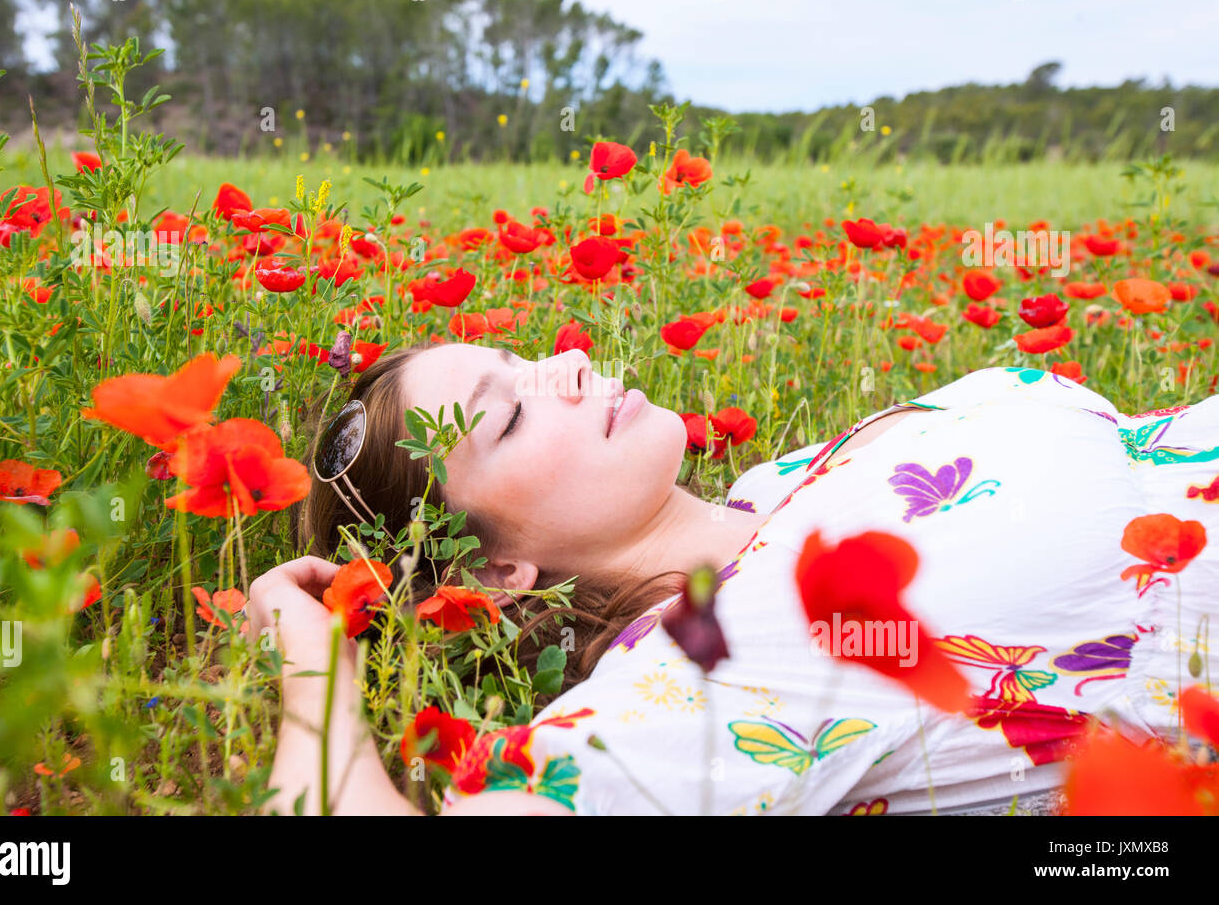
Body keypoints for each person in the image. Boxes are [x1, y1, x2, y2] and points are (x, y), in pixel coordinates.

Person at [247, 343, 1219, 815]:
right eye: (507, 418)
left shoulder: (780, 483)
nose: (572, 362)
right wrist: (306, 649)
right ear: (497, 570)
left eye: (524, 361)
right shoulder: (694, 680)